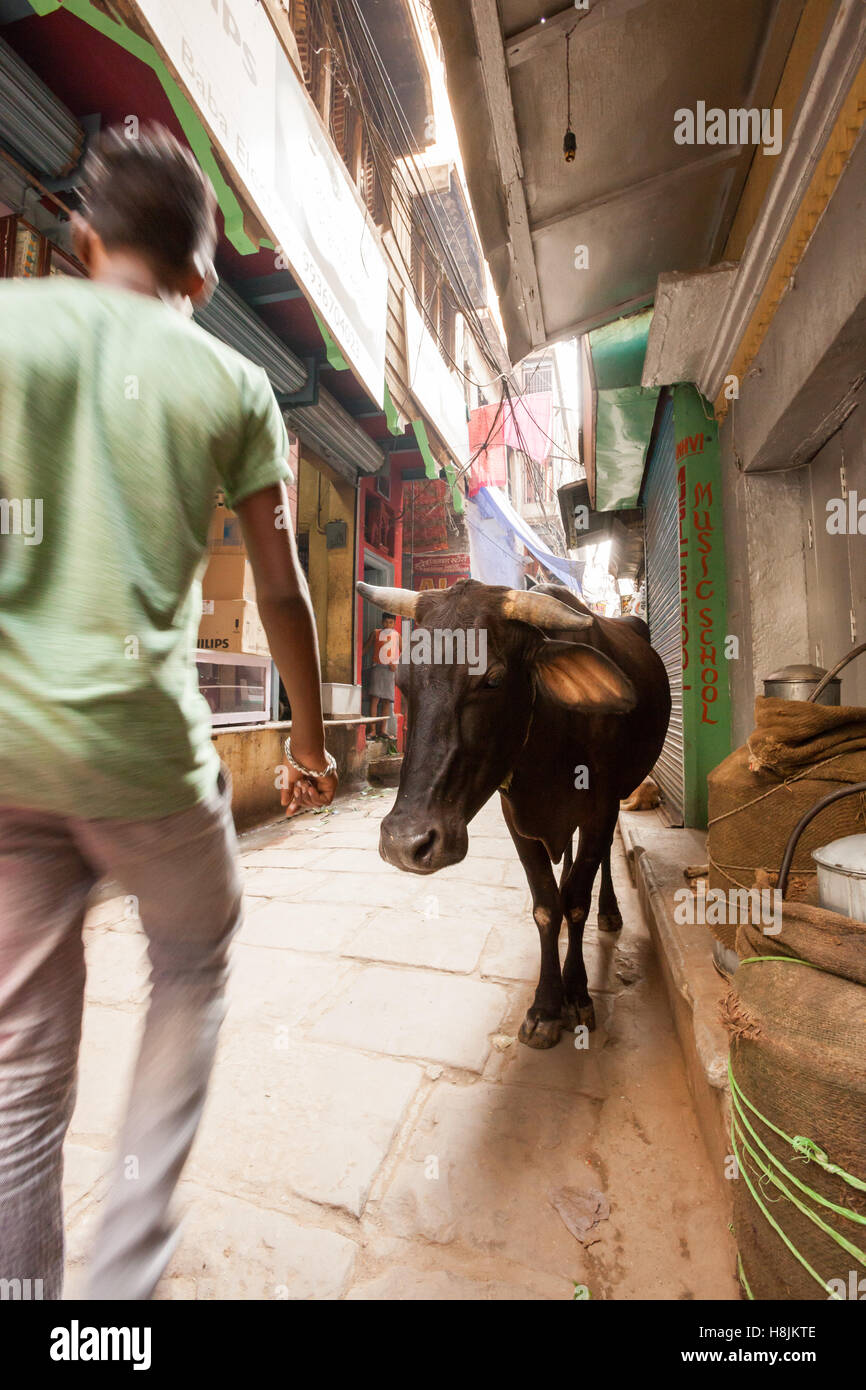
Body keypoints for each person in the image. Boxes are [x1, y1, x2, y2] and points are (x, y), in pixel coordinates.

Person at [0, 125, 336, 1300]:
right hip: (142, 757)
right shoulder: (232, 381)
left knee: (22, 1072)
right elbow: (283, 588)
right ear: (201, 280)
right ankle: (118, 1291)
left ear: (82, 239)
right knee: (190, 962)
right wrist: (303, 742)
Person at [363, 611, 398, 740]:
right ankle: (372, 730)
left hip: (390, 671)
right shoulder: (376, 633)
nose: (387, 625)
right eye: (385, 622)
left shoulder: (397, 636)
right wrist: (354, 657)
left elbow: (403, 653)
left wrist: (395, 664)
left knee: (387, 701)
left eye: (390, 622)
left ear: (394, 624)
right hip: (378, 667)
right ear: (381, 622)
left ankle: (382, 730)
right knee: (375, 699)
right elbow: (365, 649)